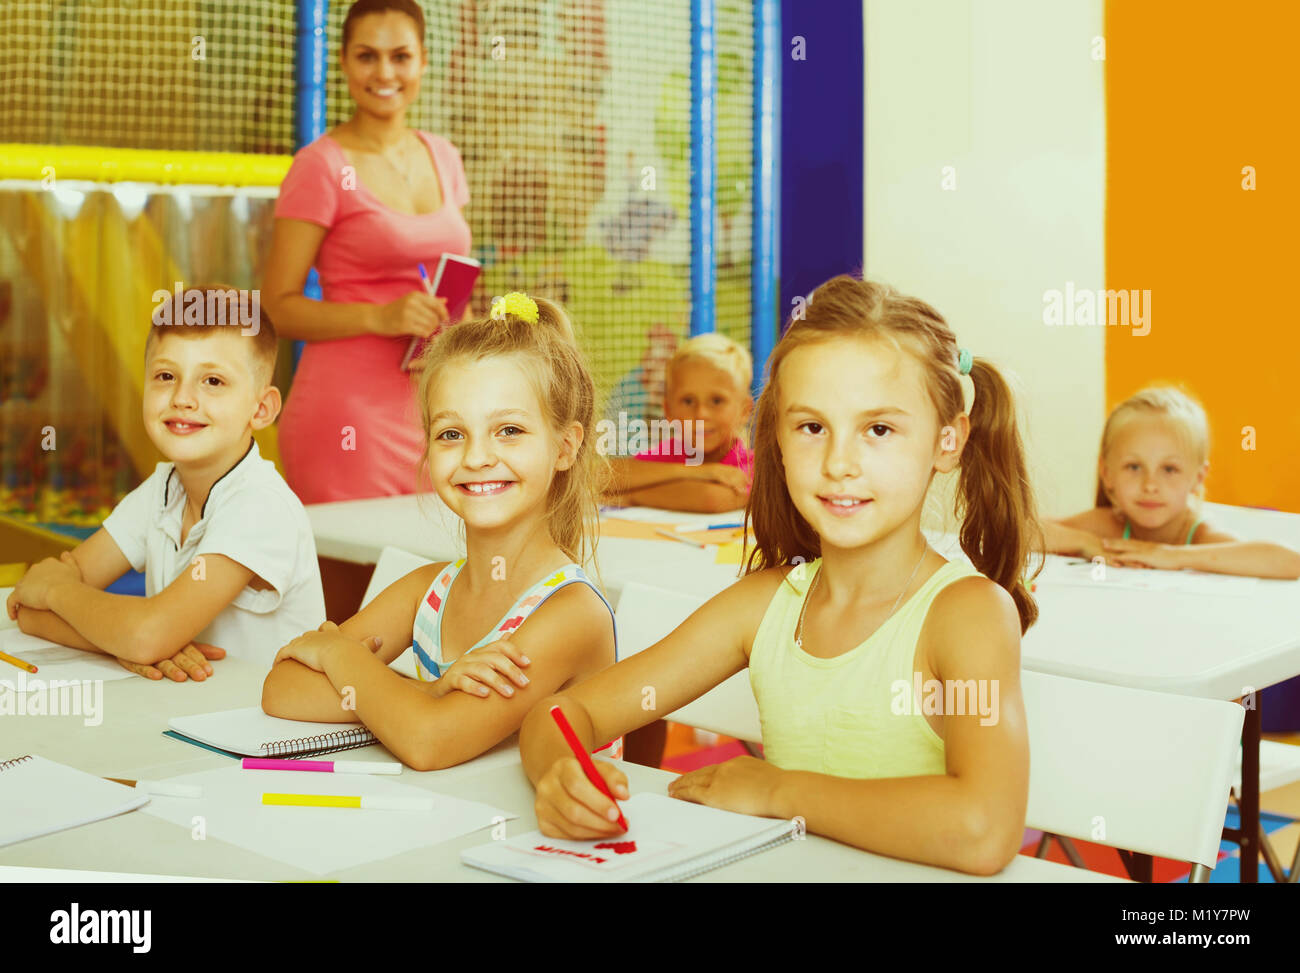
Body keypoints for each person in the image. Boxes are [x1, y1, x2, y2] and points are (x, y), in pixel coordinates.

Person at [516, 274, 1039, 875]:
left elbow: (984, 829)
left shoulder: (967, 614)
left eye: (879, 429)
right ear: (780, 442)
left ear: (948, 442)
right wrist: (561, 774)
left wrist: (778, 791)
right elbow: (560, 715)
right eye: (812, 427)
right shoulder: (765, 604)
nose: (840, 463)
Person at [262, 294, 619, 771]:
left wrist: (333, 652)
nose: (476, 457)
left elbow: (429, 741)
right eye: (451, 434)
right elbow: (282, 688)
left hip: (536, 841)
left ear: (565, 447)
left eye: (509, 430)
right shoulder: (425, 591)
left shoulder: (573, 615)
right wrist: (426, 692)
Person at [7, 286, 326, 678]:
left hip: (265, 730)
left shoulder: (259, 504)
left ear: (261, 409)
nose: (182, 398)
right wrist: (123, 643)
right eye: (165, 375)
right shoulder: (162, 488)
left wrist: (59, 593)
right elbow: (31, 612)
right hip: (179, 715)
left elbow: (142, 634)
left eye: (212, 381)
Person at [261, 0, 471, 503]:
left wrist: (452, 332)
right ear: (343, 62)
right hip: (347, 417)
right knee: (354, 581)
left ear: (424, 60)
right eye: (366, 56)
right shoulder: (320, 166)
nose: (384, 73)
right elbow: (274, 308)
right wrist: (381, 317)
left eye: (400, 56)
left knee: (433, 578)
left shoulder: (443, 156)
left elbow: (452, 278)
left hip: (436, 411)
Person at [1043, 386, 1300, 578]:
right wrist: (1084, 542)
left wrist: (1169, 555)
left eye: (1169, 469)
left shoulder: (1199, 535)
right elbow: (1019, 531)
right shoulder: (1107, 526)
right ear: (1107, 474)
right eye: (1134, 467)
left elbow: (1290, 563)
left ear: (1197, 478)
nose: (1150, 485)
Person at [604, 332, 754, 512]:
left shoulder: (752, 464)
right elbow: (601, 477)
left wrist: (631, 496)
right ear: (668, 410)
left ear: (744, 410)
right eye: (688, 401)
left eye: (716, 401)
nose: (701, 413)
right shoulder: (668, 452)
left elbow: (711, 498)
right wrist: (702, 472)